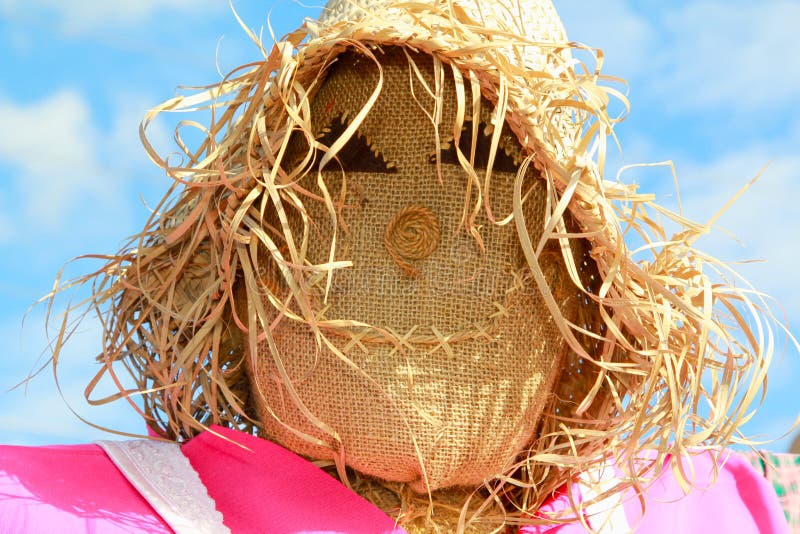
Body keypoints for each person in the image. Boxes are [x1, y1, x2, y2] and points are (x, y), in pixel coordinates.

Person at [1, 0, 794, 531]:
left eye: (478, 167)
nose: (410, 233)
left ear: (581, 305)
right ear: (243, 281)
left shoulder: (718, 506)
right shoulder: (45, 506)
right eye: (349, 168)